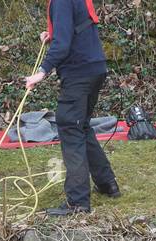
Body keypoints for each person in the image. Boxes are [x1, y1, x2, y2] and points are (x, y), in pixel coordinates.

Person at [23, 0, 120, 216]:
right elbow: (72, 31)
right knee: (82, 126)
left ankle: (78, 202)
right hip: (95, 68)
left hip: (79, 73)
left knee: (69, 128)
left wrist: (41, 71)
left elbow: (63, 44)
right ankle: (107, 184)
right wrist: (53, 34)